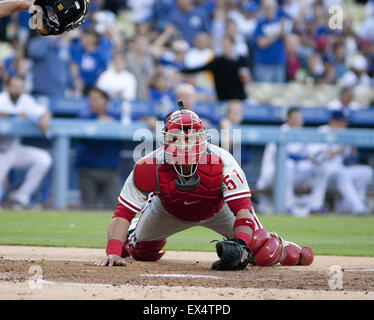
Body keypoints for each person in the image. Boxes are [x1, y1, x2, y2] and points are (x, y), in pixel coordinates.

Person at [95, 102, 314, 268]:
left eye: (190, 137)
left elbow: (243, 210)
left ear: (203, 138)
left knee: (260, 249)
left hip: (219, 210)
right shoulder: (147, 166)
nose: (184, 143)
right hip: (167, 210)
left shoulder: (223, 160)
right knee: (141, 251)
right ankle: (135, 231)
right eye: (177, 137)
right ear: (165, 139)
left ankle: (282, 245)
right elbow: (122, 212)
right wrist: (113, 250)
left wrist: (240, 247)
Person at [256, 107, 325, 216]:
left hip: (291, 175)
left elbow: (315, 152)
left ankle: (315, 205)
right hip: (271, 175)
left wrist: (317, 156)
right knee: (288, 165)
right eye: (295, 118)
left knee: (320, 167)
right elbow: (285, 157)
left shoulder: (301, 134)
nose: (299, 121)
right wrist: (305, 157)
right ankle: (287, 205)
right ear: (288, 120)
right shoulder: (280, 132)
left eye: (300, 118)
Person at [0, 76, 52, 209]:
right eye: (14, 86)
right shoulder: (2, 99)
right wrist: (14, 115)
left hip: (13, 150)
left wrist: (45, 119)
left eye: (20, 86)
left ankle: (20, 198)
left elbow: (44, 112)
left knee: (43, 159)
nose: (17, 89)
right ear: (7, 87)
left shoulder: (25, 100)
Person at [308, 111, 372, 215]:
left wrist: (352, 152)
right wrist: (338, 150)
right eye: (341, 122)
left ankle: (351, 204)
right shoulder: (322, 131)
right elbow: (317, 156)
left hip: (339, 170)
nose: (344, 125)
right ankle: (359, 208)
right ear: (332, 121)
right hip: (323, 173)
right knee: (341, 173)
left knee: (366, 171)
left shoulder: (344, 133)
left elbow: (351, 160)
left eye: (345, 122)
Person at [75, 87, 122, 210]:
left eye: (96, 99)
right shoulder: (84, 116)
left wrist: (147, 119)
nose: (92, 102)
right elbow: (78, 129)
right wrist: (98, 122)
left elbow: (132, 122)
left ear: (105, 101)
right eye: (90, 99)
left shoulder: (115, 117)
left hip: (110, 170)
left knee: (115, 210)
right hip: (88, 169)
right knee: (89, 209)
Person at [181, 35, 249, 102]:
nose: (224, 47)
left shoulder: (241, 60)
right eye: (223, 44)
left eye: (226, 44)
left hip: (239, 99)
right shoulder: (217, 62)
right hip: (223, 100)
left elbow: (246, 78)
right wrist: (181, 71)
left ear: (233, 44)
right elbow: (199, 68)